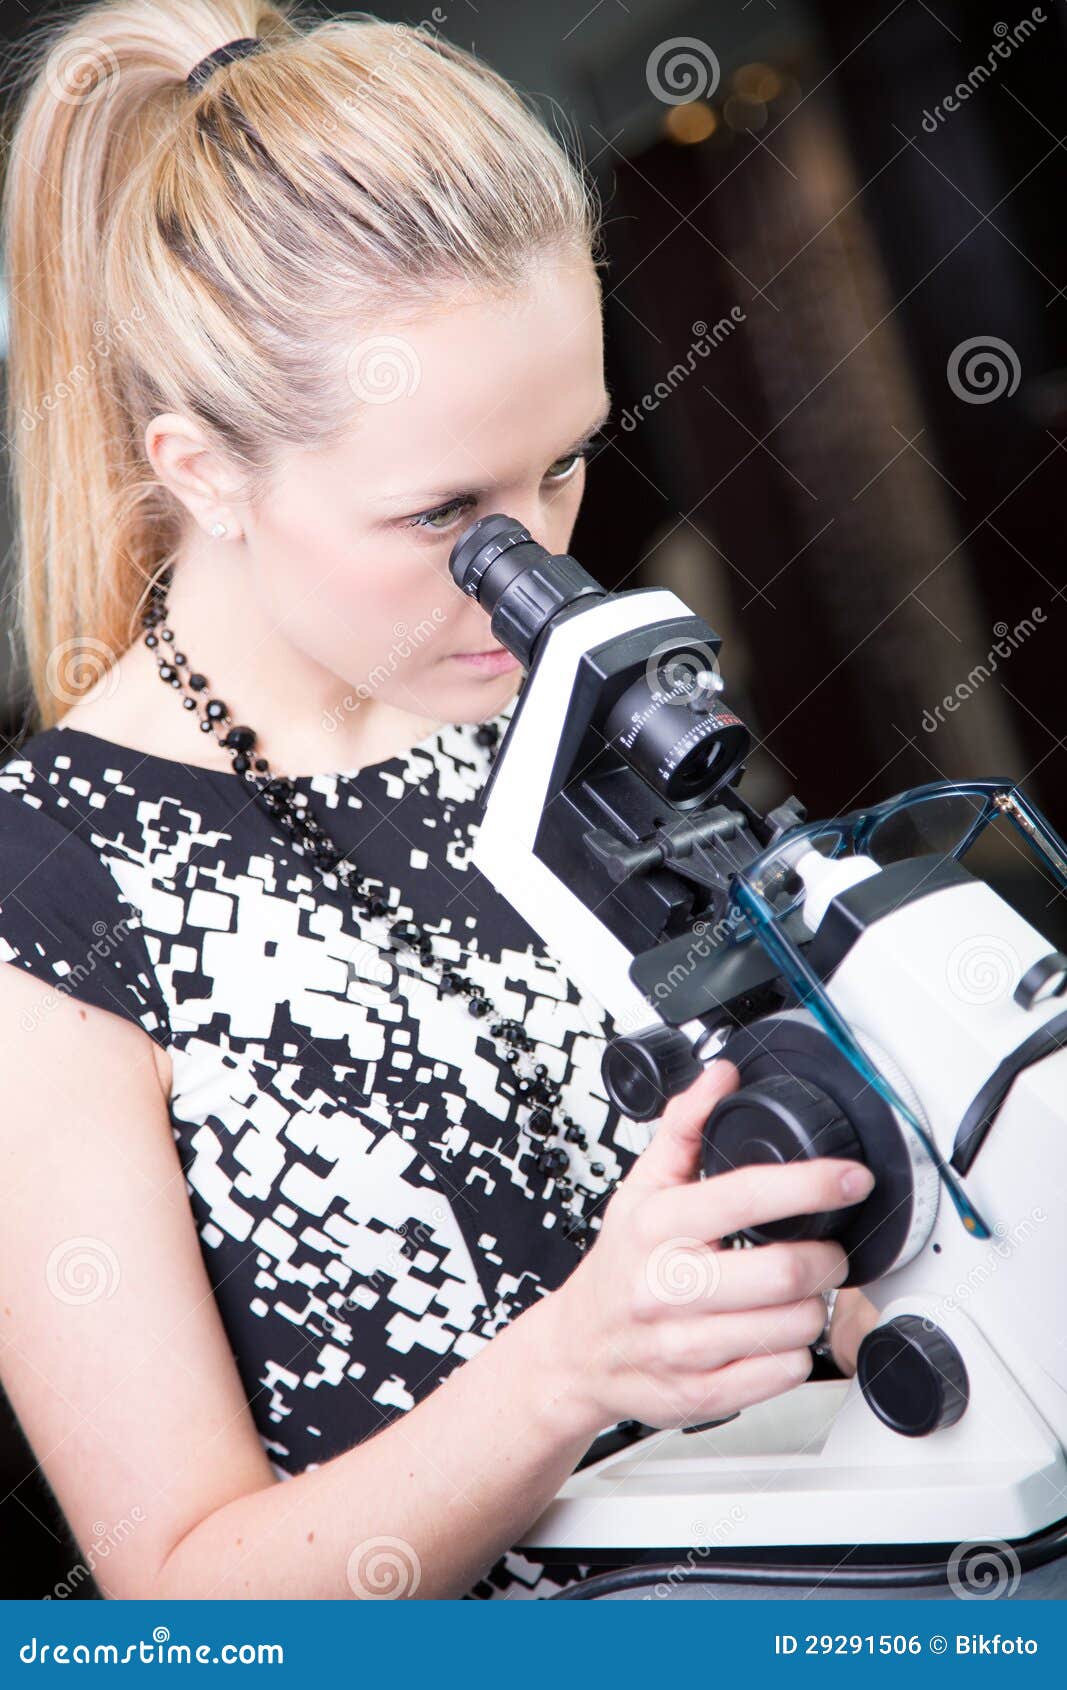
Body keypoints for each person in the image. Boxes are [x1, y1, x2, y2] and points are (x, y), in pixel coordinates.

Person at [0, 0, 874, 1600]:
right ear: (201, 469)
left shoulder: (576, 716)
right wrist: (572, 1368)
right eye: (441, 512)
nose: (531, 569)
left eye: (565, 464)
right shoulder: (44, 892)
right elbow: (184, 1605)